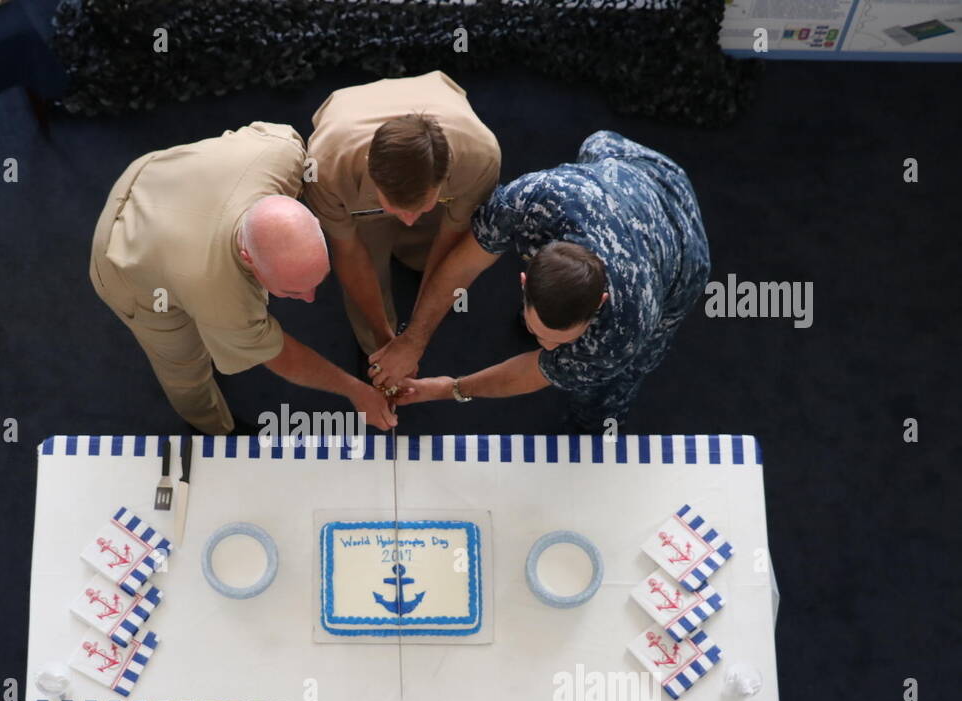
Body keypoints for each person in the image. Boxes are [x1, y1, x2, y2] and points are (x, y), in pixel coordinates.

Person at [377, 130, 711, 432]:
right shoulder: (530, 200)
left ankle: (591, 426)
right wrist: (412, 341)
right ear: (524, 282)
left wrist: (450, 388)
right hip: (627, 172)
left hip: (677, 241)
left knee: (605, 387)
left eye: (560, 341)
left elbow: (534, 372)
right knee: (596, 142)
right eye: (540, 335)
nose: (547, 348)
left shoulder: (624, 326)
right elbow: (461, 266)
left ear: (600, 303)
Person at [89, 122, 396, 435]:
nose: (311, 298)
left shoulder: (282, 149)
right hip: (123, 248)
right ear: (248, 259)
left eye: (318, 280)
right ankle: (213, 429)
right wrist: (356, 391)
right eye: (292, 290)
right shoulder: (220, 295)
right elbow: (281, 355)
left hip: (163, 173)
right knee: (184, 367)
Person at [303, 71, 500, 357]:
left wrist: (415, 336)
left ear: (444, 175)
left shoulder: (481, 157)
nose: (409, 219)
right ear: (372, 170)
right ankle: (374, 352)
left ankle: (415, 248)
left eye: (422, 205)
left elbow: (450, 237)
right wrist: (386, 340)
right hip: (348, 152)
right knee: (370, 258)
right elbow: (348, 252)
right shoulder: (325, 168)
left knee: (428, 252)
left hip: (447, 171)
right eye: (395, 207)